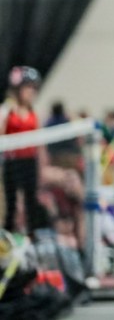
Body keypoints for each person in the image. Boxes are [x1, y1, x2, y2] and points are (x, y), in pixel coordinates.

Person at [1, 66, 51, 234]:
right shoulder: (7, 110)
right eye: (28, 88)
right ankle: (7, 237)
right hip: (11, 161)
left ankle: (32, 236)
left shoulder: (33, 113)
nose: (32, 92)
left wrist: (43, 165)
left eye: (34, 89)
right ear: (18, 89)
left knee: (31, 201)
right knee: (11, 203)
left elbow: (40, 142)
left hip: (29, 161)